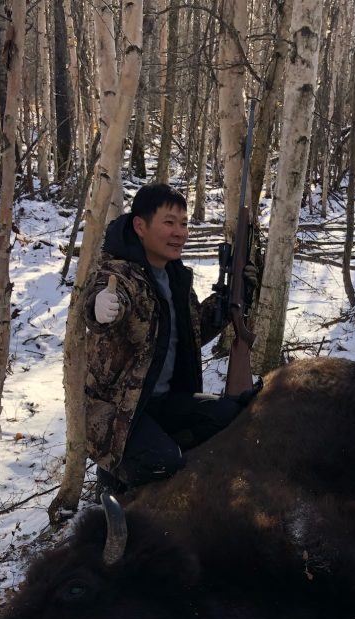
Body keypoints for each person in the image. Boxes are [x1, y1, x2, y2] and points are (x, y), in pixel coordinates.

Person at [83, 183, 258, 495]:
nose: (180, 232)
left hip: (165, 402)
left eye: (184, 223)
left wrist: (231, 298)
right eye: (169, 222)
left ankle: (170, 455)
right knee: (162, 463)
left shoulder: (176, 276)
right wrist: (99, 308)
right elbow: (107, 296)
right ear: (140, 226)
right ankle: (113, 480)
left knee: (231, 416)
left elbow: (188, 333)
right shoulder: (121, 271)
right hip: (121, 414)